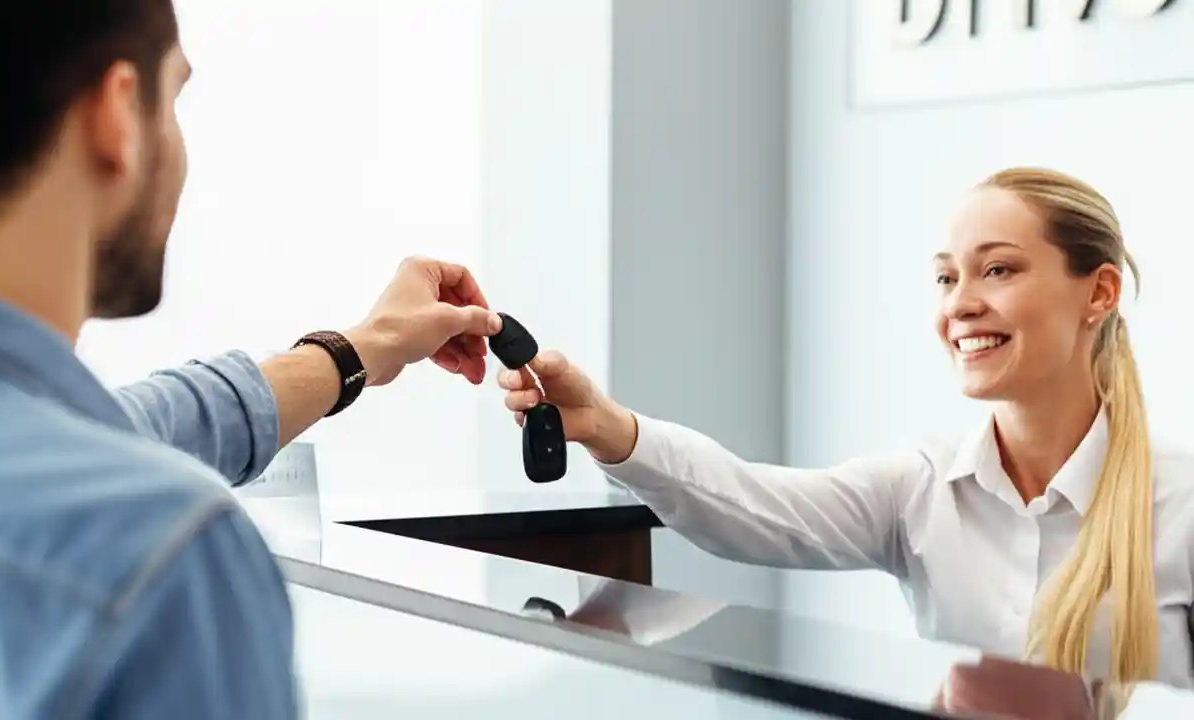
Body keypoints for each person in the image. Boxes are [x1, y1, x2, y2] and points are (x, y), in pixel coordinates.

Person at [0, 1, 501, 717]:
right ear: (118, 114)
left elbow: (122, 427)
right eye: (175, 96)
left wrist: (358, 350)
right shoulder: (165, 563)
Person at [499, 166, 1194, 688]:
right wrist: (607, 427)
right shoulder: (922, 485)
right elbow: (753, 508)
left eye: (999, 269)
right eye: (947, 279)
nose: (963, 304)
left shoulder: (1180, 501)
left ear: (1098, 293)